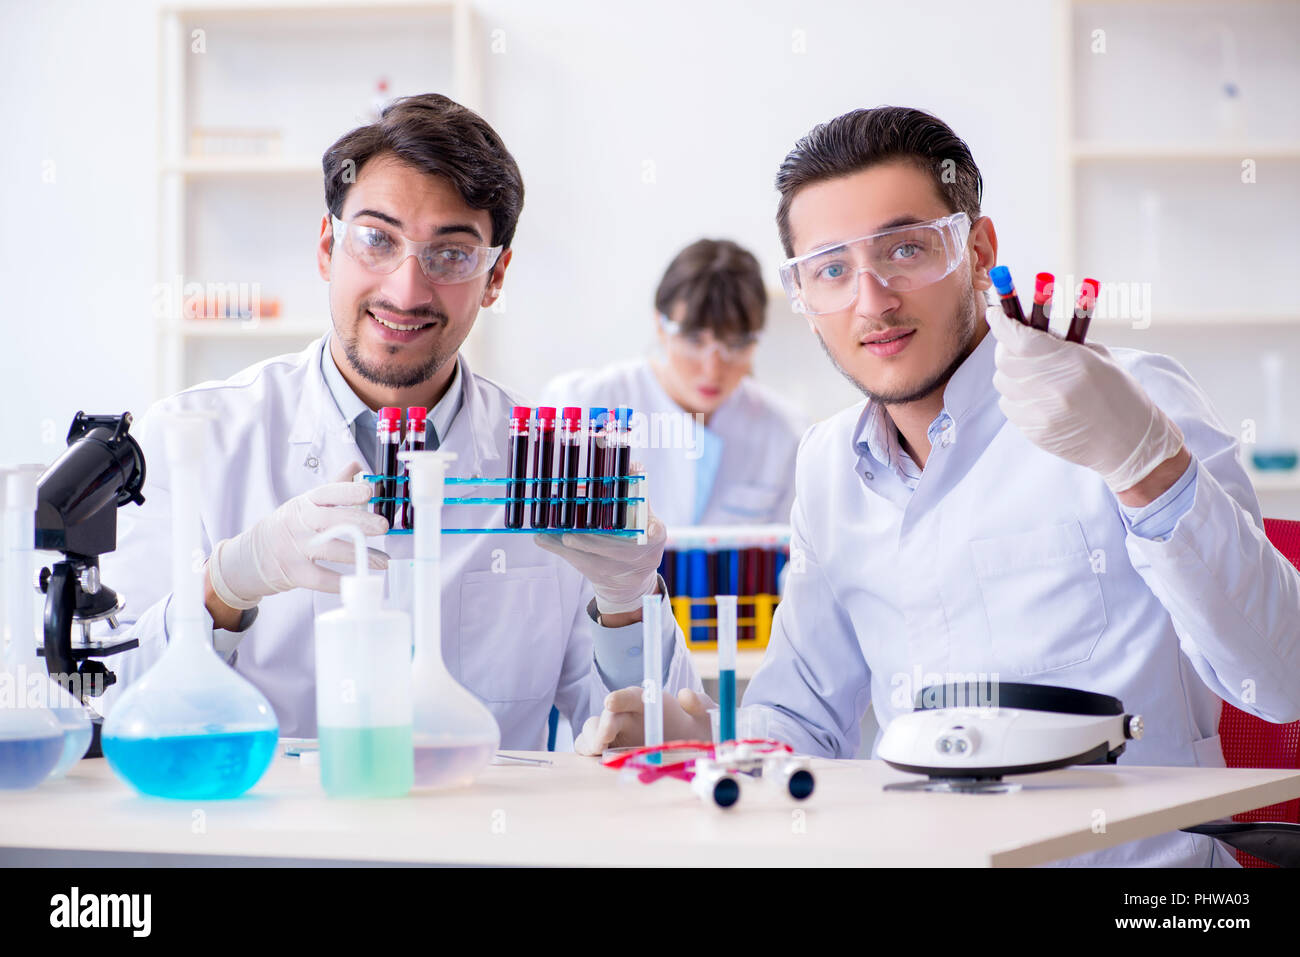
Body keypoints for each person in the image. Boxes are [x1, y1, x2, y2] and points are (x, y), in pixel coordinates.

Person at [577, 106, 1300, 866]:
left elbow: (1280, 681)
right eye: (830, 269)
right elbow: (800, 719)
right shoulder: (827, 464)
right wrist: (708, 751)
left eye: (907, 249)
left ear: (979, 249)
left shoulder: (1130, 399)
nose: (873, 300)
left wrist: (1145, 466)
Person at [99, 94, 703, 751]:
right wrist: (226, 584)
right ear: (329, 246)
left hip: (478, 843)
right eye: (377, 240)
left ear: (495, 276)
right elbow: (106, 703)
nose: (406, 291)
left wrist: (625, 602)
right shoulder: (193, 436)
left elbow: (652, 739)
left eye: (450, 255)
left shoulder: (552, 464)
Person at [542, 239, 805, 527]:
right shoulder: (585, 404)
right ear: (660, 324)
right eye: (694, 340)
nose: (712, 368)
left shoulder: (785, 432)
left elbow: (789, 558)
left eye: (735, 345)